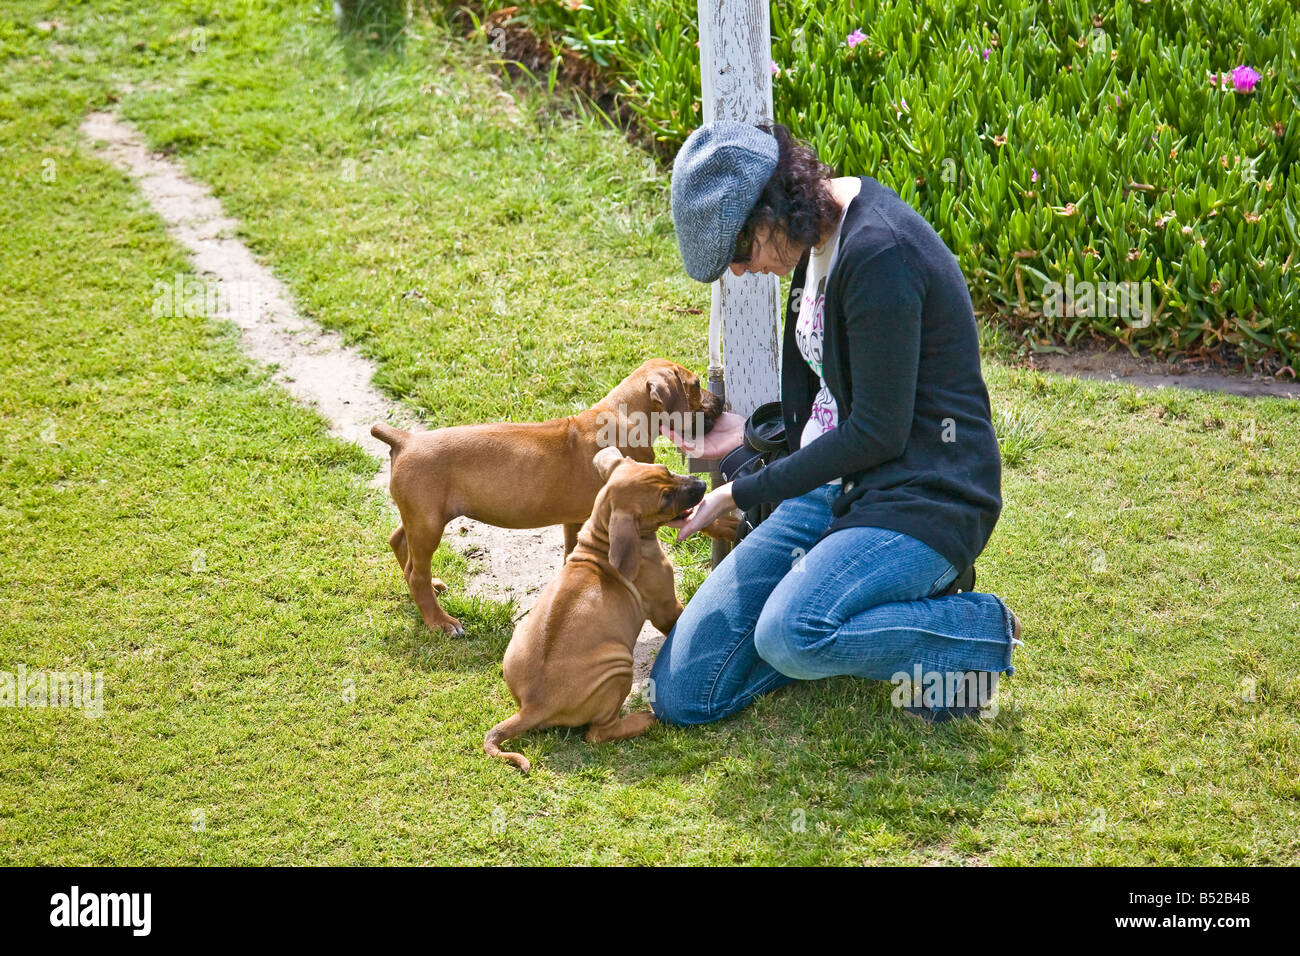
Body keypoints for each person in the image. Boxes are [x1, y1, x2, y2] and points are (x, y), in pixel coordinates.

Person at [652, 120, 1022, 724]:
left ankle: (974, 629)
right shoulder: (813, 246)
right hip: (834, 488)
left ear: (768, 213)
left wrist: (743, 491)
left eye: (738, 252)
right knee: (685, 694)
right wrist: (759, 447)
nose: (741, 273)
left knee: (790, 635)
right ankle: (866, 610)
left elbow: (878, 431)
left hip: (922, 498)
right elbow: (820, 392)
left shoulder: (881, 254)